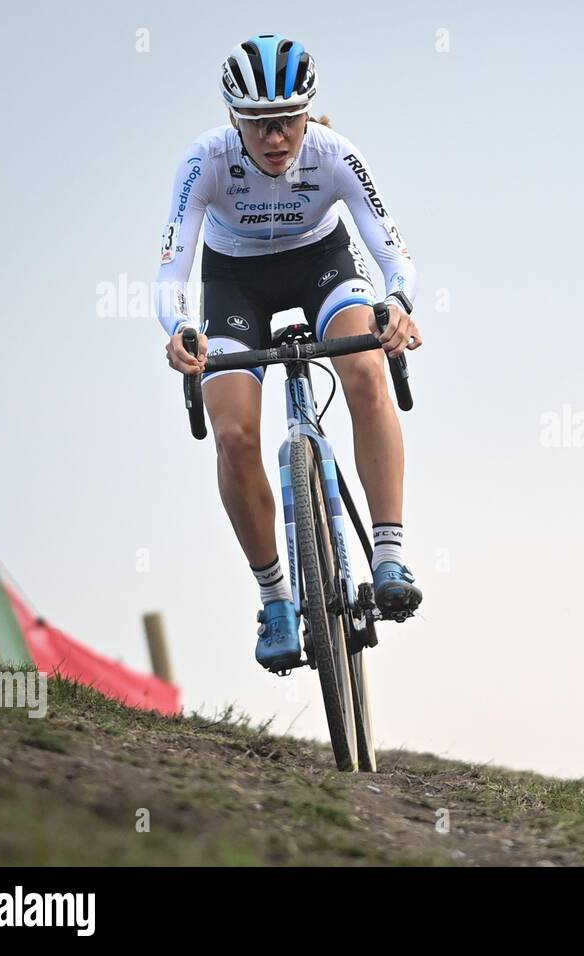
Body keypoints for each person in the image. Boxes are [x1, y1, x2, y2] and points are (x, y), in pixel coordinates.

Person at [153, 34, 423, 673]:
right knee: (235, 434)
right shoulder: (205, 160)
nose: (276, 138)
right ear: (233, 121)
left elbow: (391, 248)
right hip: (234, 281)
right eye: (259, 124)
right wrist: (181, 328)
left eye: (288, 122)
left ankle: (389, 555)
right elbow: (171, 271)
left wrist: (398, 302)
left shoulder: (335, 155)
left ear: (308, 114)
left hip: (321, 266)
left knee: (364, 365)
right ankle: (275, 599)